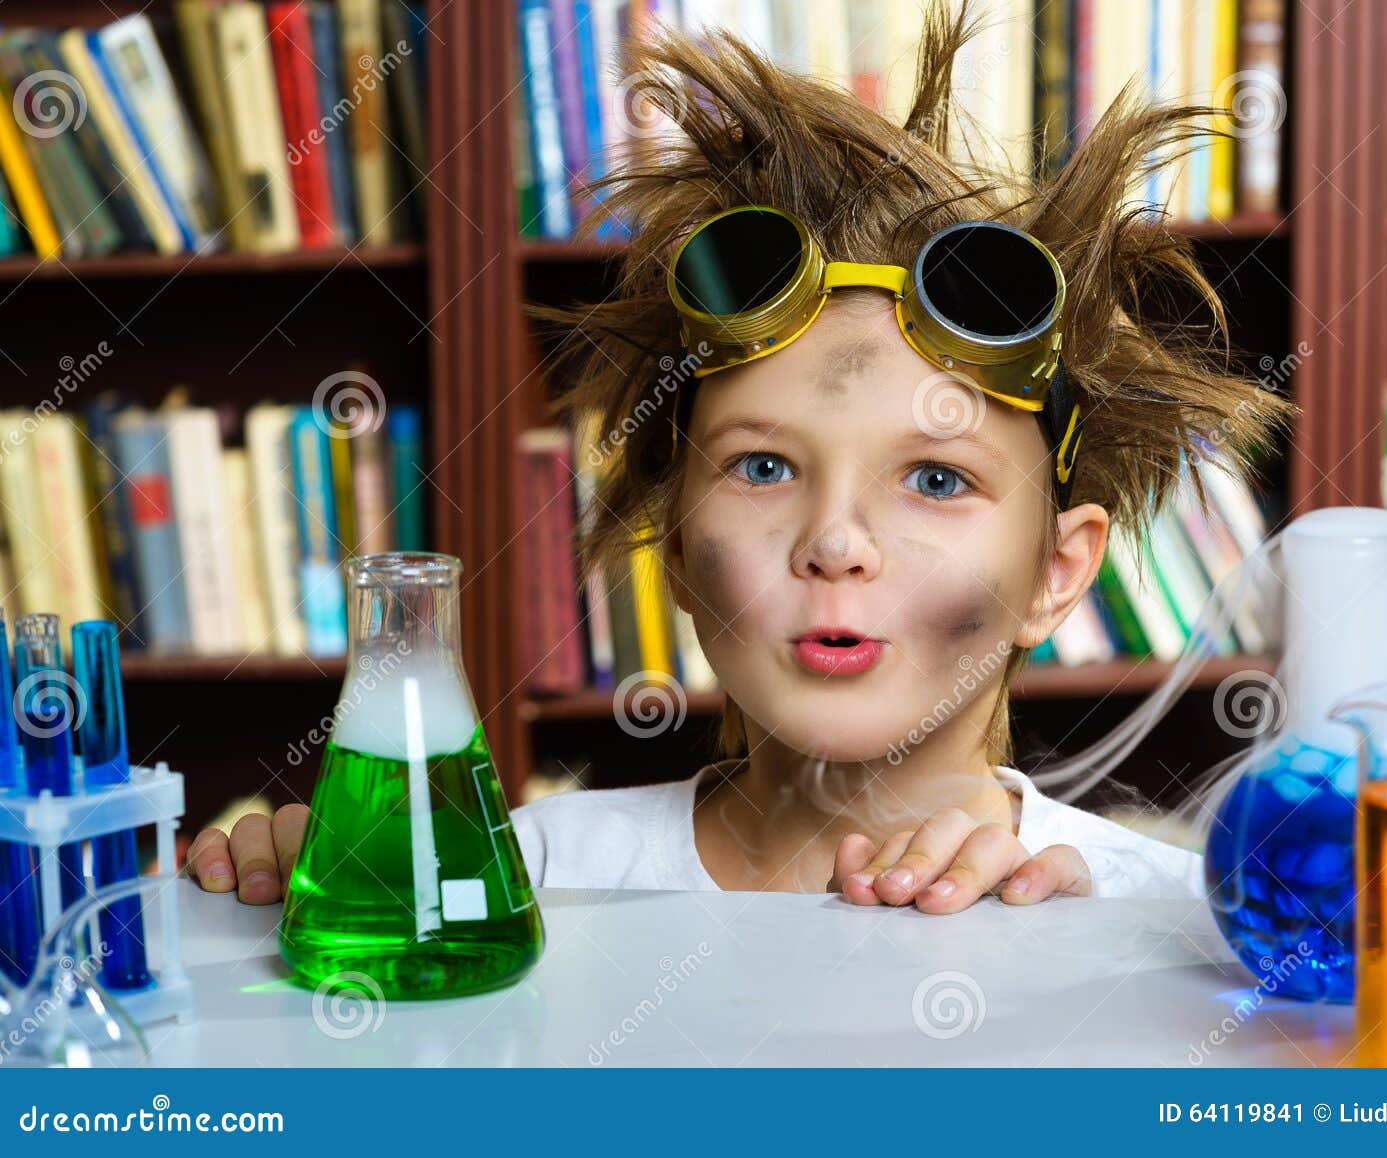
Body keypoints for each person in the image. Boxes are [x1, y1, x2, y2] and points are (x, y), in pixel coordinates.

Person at [185, 0, 1291, 915]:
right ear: (671, 537)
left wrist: (1104, 980)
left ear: (1057, 571)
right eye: (762, 468)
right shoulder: (511, 882)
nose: (835, 543)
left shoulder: (1160, 917)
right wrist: (273, 920)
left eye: (937, 478)